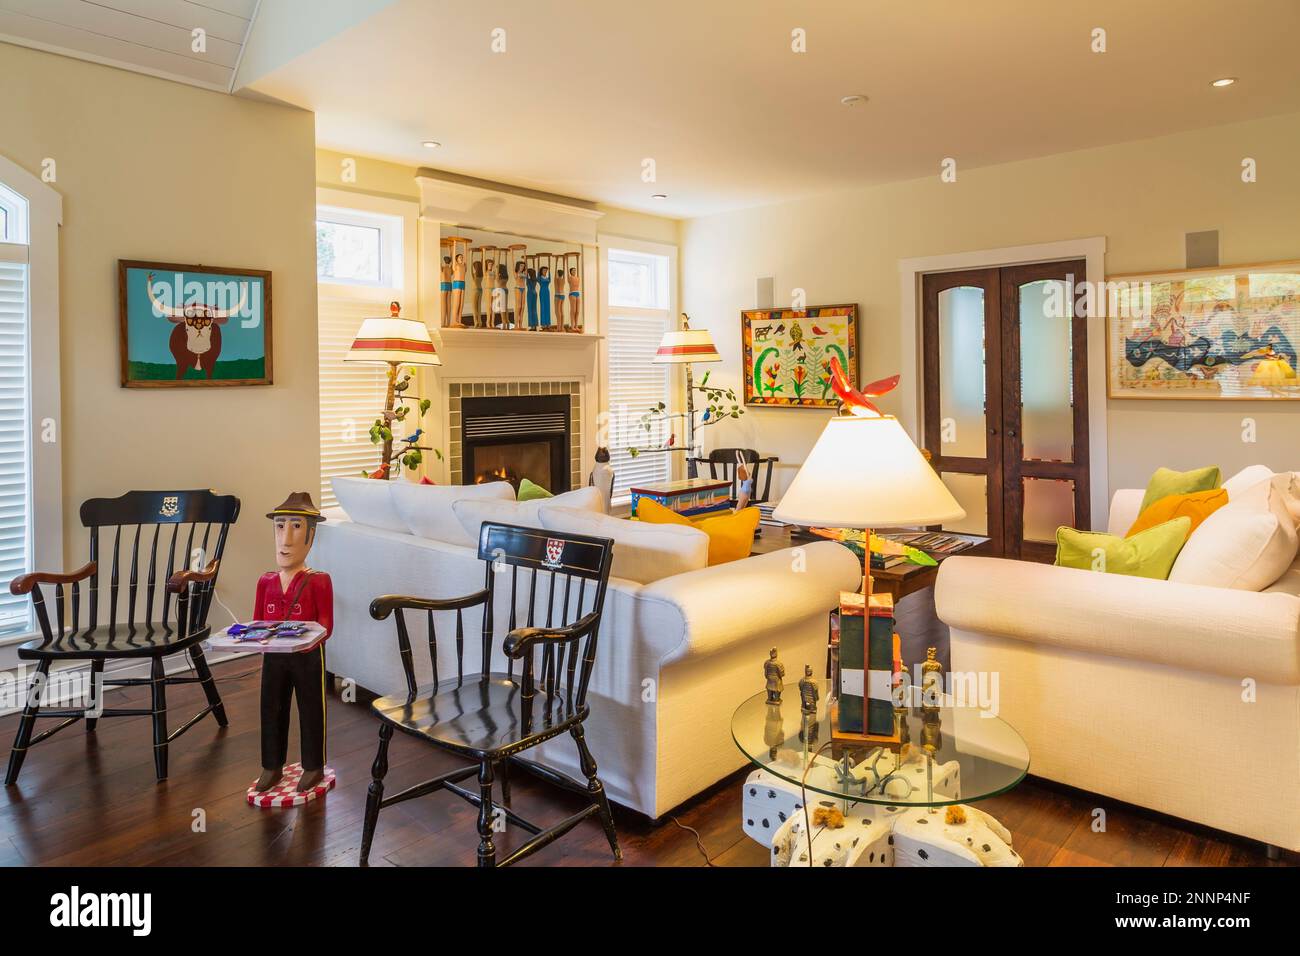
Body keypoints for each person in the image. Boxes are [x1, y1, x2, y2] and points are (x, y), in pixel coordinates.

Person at [253, 493, 333, 793]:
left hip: (307, 656)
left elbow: (326, 625)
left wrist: (301, 637)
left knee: (312, 709)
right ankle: (271, 765)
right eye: (279, 527)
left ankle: (313, 766)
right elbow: (257, 621)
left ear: (311, 537)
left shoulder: (318, 581)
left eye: (296, 527)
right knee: (270, 708)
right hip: (274, 656)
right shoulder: (266, 582)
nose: (286, 539)